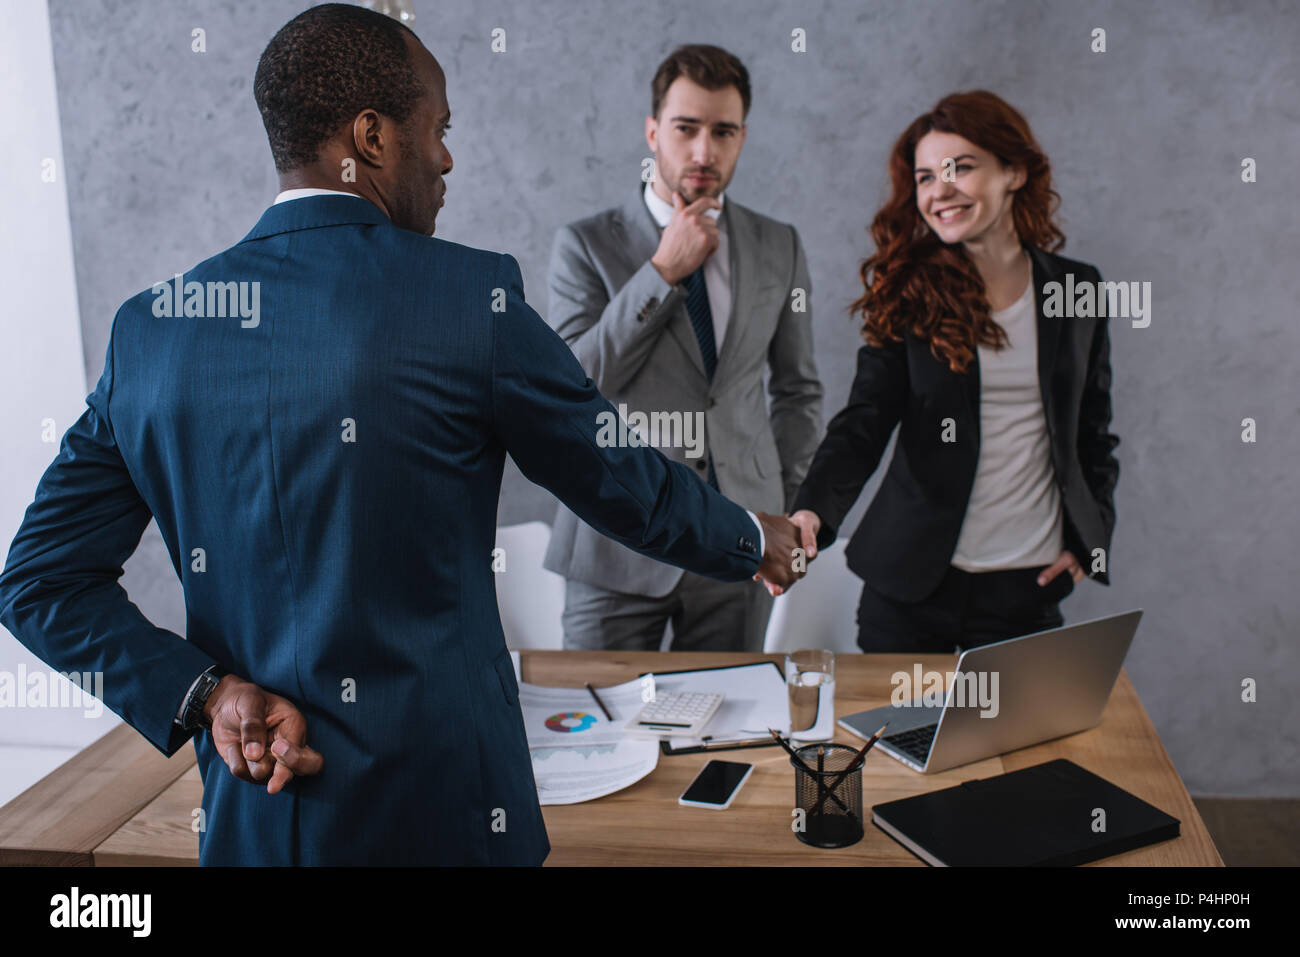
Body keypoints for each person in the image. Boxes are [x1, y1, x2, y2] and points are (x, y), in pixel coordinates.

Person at [0, 4, 803, 865]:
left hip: (260, 827)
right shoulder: (469, 300)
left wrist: (207, 694)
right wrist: (755, 535)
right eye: (438, 126)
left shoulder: (151, 328)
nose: (447, 155)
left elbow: (39, 583)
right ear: (372, 136)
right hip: (453, 815)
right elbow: (620, 480)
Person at [788, 90, 1120, 654]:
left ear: (1013, 171)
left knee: (1014, 746)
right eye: (924, 177)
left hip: (1027, 591)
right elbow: (864, 422)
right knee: (897, 743)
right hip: (910, 592)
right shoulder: (908, 292)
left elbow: (1093, 430)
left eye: (959, 169)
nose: (938, 191)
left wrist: (1093, 539)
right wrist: (811, 512)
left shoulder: (1077, 288)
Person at [543, 44, 823, 653]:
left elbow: (798, 391)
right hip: (614, 543)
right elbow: (572, 384)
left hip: (741, 545)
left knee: (731, 731)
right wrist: (662, 272)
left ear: (742, 137)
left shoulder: (780, 245)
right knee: (600, 730)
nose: (704, 151)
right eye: (685, 128)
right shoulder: (586, 244)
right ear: (652, 132)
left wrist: (785, 508)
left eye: (723, 131)